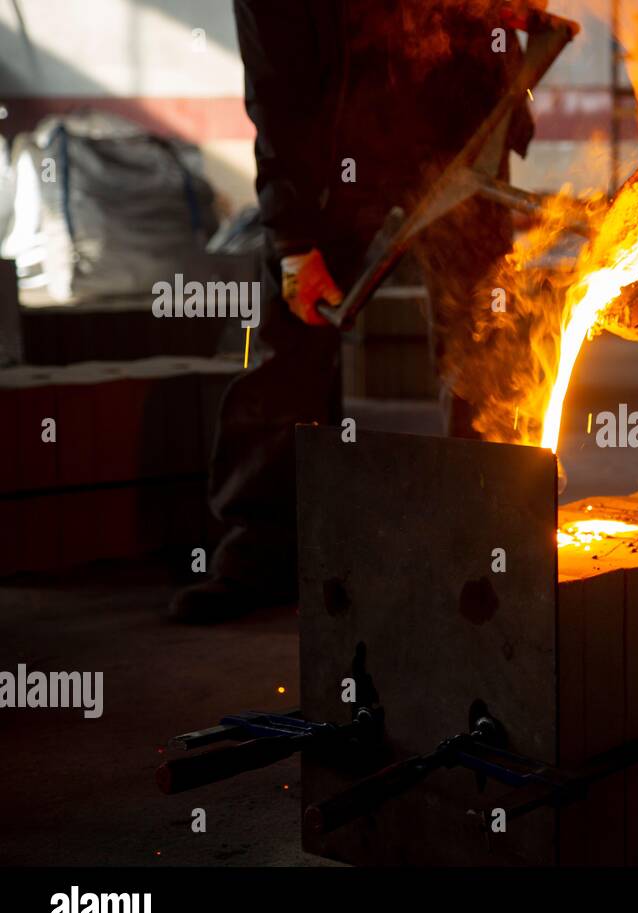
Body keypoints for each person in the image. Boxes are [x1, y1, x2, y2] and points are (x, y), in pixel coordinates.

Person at [170, 0, 532, 624]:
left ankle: (494, 541)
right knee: (289, 342)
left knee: (483, 340)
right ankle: (264, 553)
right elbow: (278, 100)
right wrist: (292, 245)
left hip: (462, 135)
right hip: (337, 167)